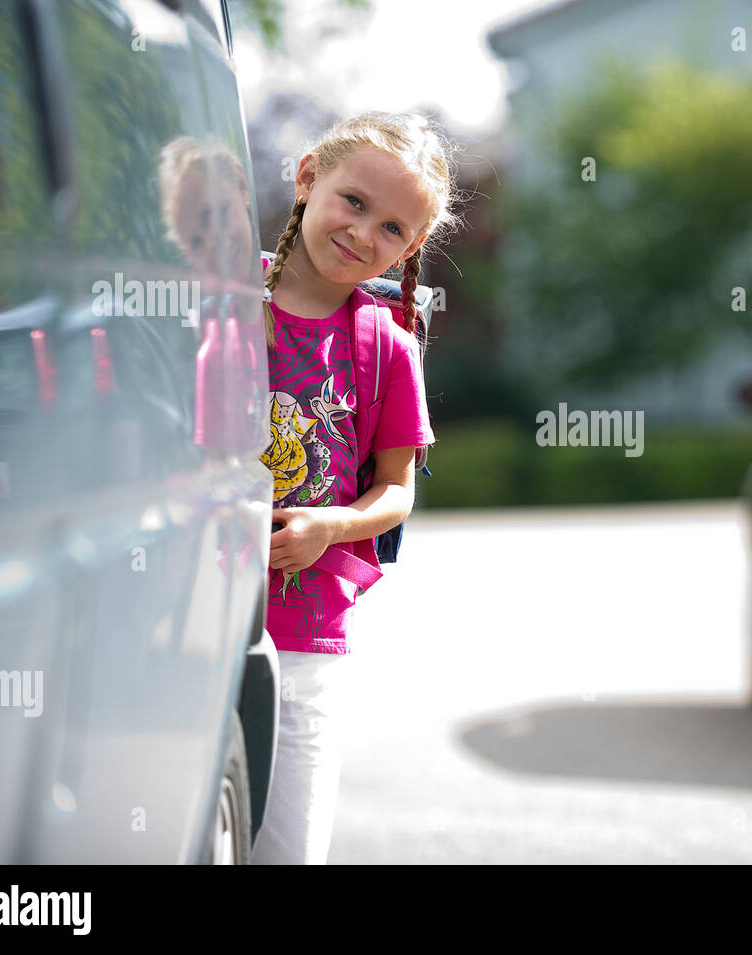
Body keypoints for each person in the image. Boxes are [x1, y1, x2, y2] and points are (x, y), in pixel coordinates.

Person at [249, 110, 463, 865]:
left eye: (395, 229)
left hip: (308, 642)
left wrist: (328, 529)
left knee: (288, 851)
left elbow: (395, 490)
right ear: (308, 177)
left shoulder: (387, 346)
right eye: (355, 202)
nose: (366, 234)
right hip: (194, 624)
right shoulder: (223, 312)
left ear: (412, 248)